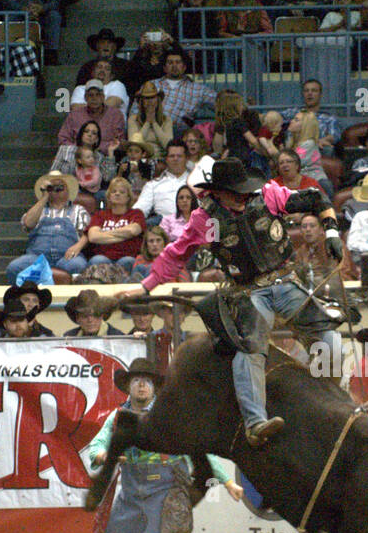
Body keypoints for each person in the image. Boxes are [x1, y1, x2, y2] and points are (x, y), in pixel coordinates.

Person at [135, 158, 344, 446]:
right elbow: (175, 255)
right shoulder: (205, 219)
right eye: (236, 193)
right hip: (249, 292)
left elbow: (316, 199)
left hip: (286, 282)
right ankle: (256, 423)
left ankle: (332, 398)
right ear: (218, 192)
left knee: (329, 338)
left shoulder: (269, 195)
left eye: (245, 192)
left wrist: (331, 231)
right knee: (249, 349)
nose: (243, 198)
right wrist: (146, 287)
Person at [89, 358, 218, 533]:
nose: (141, 386)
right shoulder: (117, 418)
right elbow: (97, 445)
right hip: (132, 488)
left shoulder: (168, 415)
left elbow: (199, 449)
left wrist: (225, 480)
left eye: (146, 381)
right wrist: (103, 454)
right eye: (136, 380)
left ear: (154, 387)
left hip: (165, 486)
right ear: (128, 386)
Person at [7, 171, 89, 281]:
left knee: (79, 266)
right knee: (14, 268)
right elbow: (27, 224)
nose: (56, 190)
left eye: (60, 187)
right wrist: (44, 197)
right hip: (37, 256)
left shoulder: (78, 210)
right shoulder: (38, 209)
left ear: (68, 191)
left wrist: (78, 246)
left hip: (66, 256)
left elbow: (88, 233)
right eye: (52, 187)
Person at [86, 175, 146, 274]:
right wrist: (125, 235)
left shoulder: (136, 213)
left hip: (127, 256)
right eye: (114, 192)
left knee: (128, 261)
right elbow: (93, 237)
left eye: (122, 192)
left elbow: (133, 231)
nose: (117, 194)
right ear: (109, 196)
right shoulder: (100, 215)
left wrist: (104, 234)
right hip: (103, 256)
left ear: (128, 197)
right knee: (97, 261)